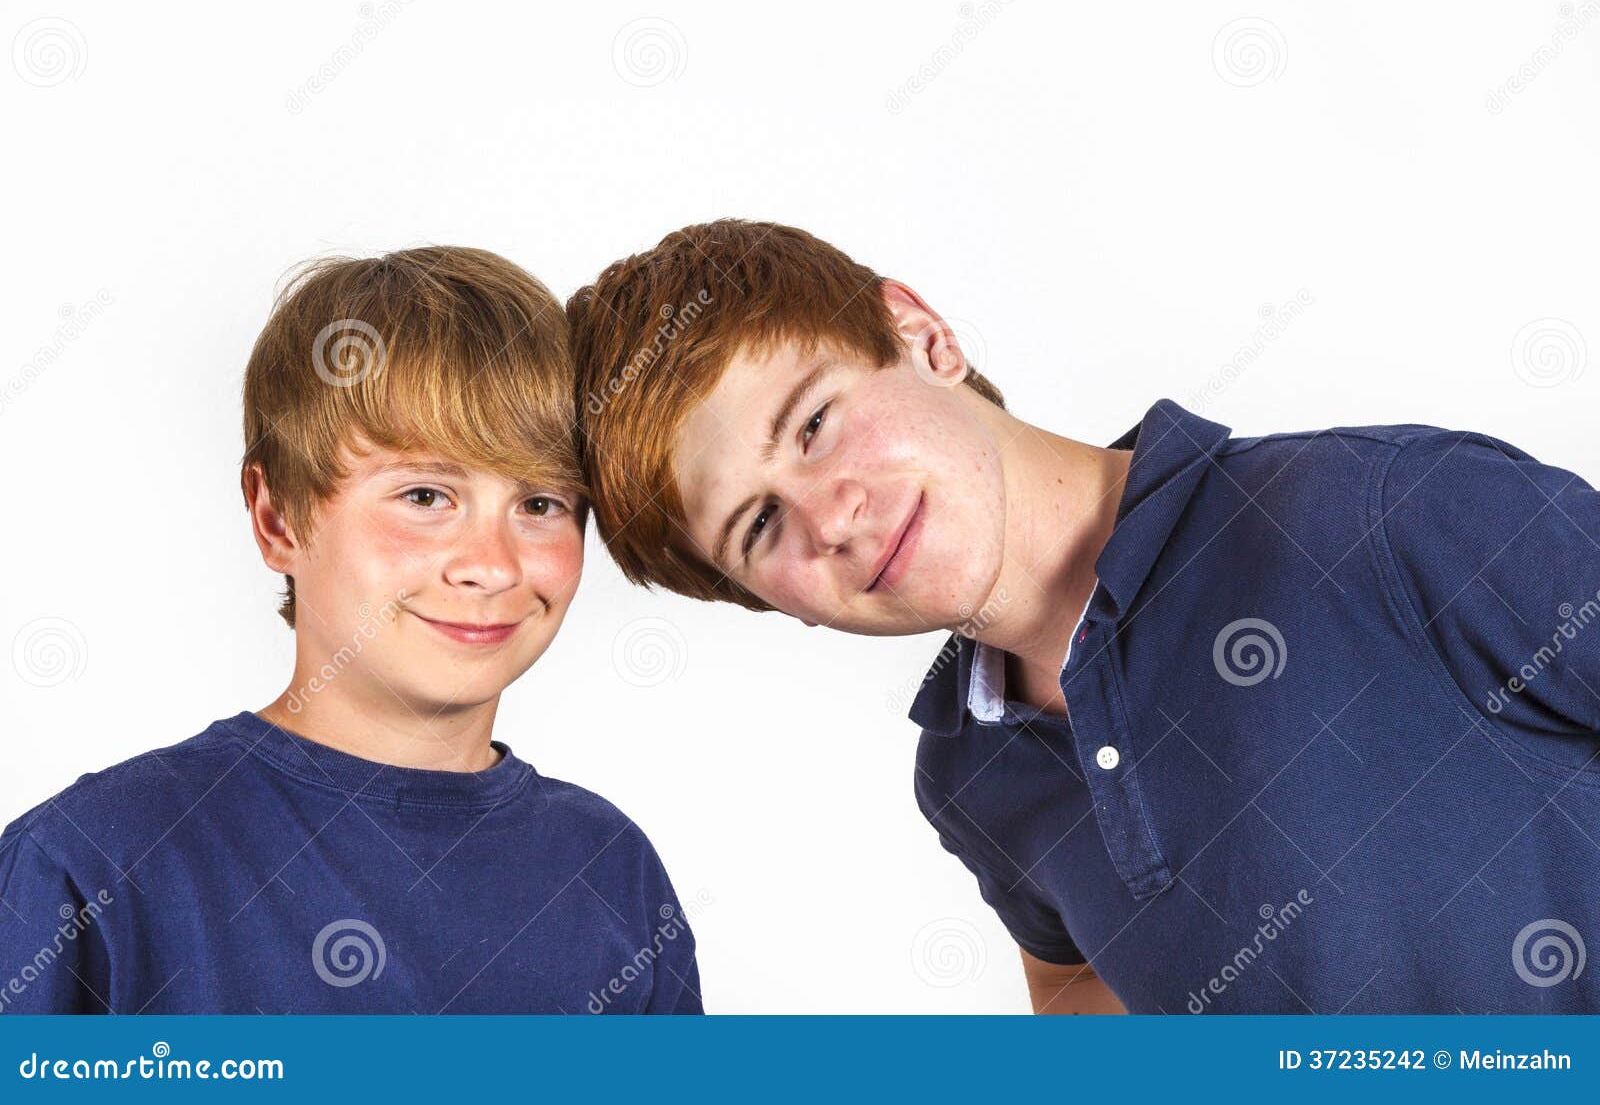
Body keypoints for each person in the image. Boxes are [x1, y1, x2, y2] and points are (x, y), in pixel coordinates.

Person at [567, 218, 1600, 1014]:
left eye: (816, 422)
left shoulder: (1373, 511)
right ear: (765, 602)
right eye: (757, 525)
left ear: (918, 334)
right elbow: (1075, 989)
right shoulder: (972, 775)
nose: (829, 513)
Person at [0, 247, 701, 1014]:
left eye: (540, 504)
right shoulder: (92, 863)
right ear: (278, 518)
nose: (491, 566)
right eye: (426, 494)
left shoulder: (608, 873)